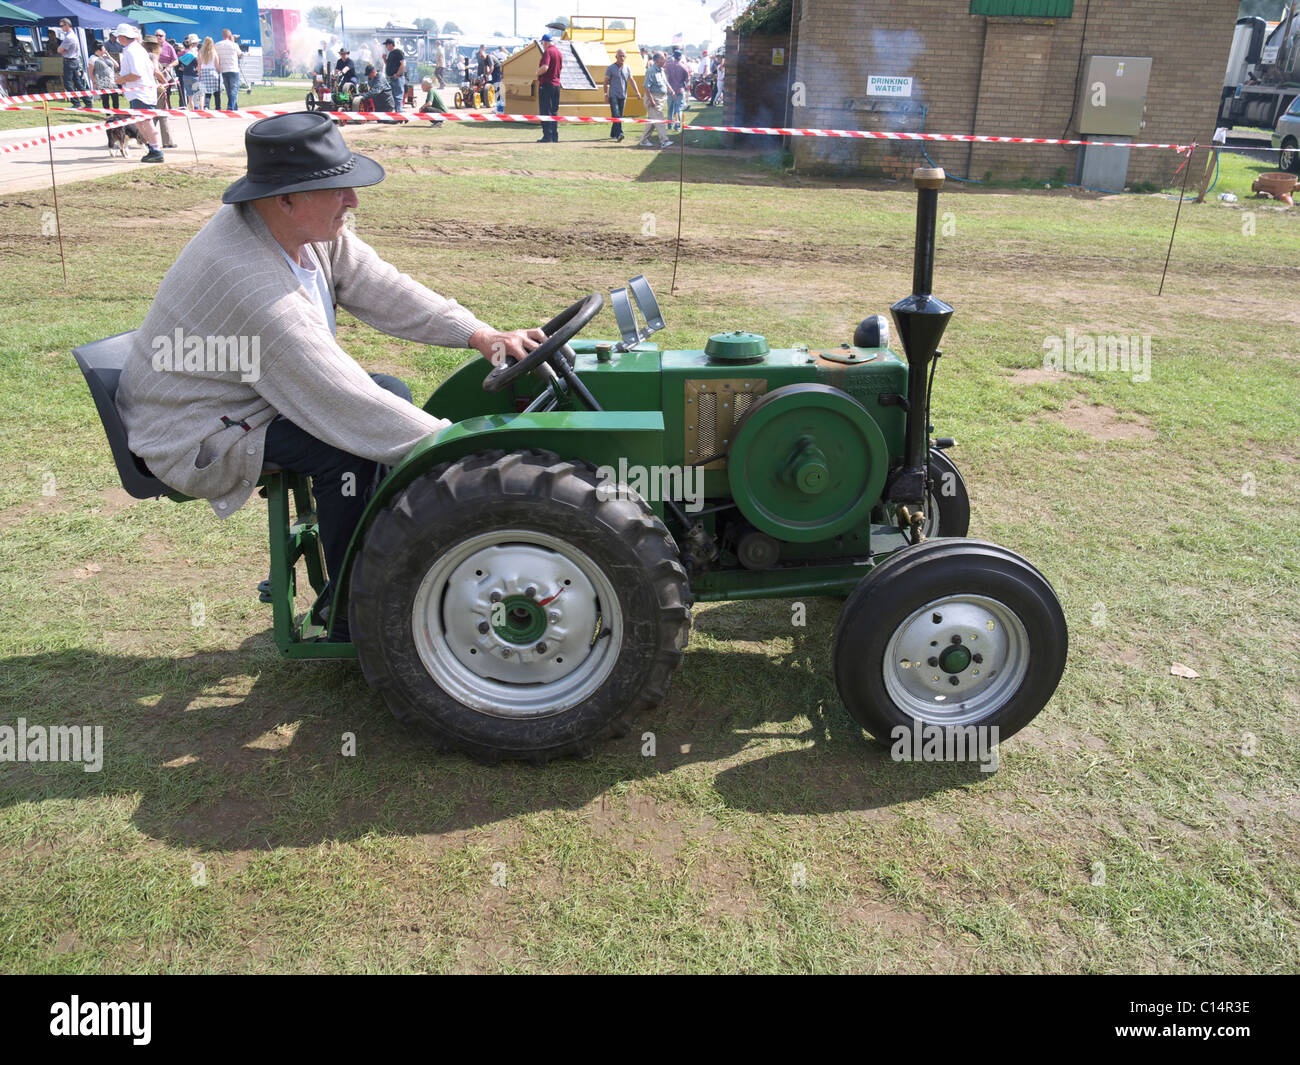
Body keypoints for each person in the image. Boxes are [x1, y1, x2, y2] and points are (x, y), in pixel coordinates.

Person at [115, 112, 546, 641]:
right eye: (339, 188)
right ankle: (353, 614)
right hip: (194, 428)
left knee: (388, 396)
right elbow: (338, 397)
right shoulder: (250, 284)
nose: (354, 201)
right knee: (348, 448)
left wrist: (481, 334)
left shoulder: (302, 229)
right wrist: (456, 449)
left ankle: (376, 571)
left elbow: (380, 285)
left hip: (246, 396)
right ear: (285, 198)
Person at [111, 24, 163, 162]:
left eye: (118, 36)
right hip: (139, 92)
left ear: (122, 37)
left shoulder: (132, 51)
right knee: (140, 123)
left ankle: (157, 150)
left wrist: (121, 79)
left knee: (146, 122)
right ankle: (153, 148)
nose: (117, 39)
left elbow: (136, 74)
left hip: (141, 92)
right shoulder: (134, 49)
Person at [603, 48, 640, 143]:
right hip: (613, 95)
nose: (622, 58)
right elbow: (605, 82)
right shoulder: (610, 68)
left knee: (619, 116)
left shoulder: (627, 68)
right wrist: (606, 94)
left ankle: (613, 133)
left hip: (623, 96)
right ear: (616, 57)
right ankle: (620, 134)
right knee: (616, 114)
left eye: (623, 56)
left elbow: (632, 80)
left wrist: (637, 92)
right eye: (620, 56)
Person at [56, 19, 92, 110]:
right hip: (74, 61)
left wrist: (61, 50)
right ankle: (88, 102)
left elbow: (60, 50)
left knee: (68, 83)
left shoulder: (69, 37)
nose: (61, 28)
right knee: (78, 83)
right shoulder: (73, 35)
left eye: (62, 25)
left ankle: (76, 102)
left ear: (67, 25)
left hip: (69, 61)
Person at [639, 52, 672, 149]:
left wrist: (671, 90)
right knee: (659, 119)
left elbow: (665, 82)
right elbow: (646, 87)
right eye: (662, 59)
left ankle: (644, 141)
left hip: (660, 99)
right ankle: (664, 141)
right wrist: (652, 100)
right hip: (654, 99)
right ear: (657, 61)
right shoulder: (651, 71)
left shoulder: (661, 70)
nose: (664, 60)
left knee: (652, 121)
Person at [535, 33, 562, 143]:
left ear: (545, 42)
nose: (543, 45)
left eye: (542, 43)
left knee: (545, 111)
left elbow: (545, 67)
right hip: (557, 85)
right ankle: (554, 136)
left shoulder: (548, 52)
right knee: (554, 111)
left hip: (547, 85)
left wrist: (537, 72)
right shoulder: (559, 52)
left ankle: (547, 136)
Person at [90, 41, 119, 117]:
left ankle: (117, 114)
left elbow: (116, 65)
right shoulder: (93, 58)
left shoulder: (106, 57)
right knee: (105, 98)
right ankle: (108, 115)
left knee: (115, 97)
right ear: (98, 50)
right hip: (102, 81)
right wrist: (94, 82)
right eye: (103, 48)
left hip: (112, 81)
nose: (105, 49)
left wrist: (109, 56)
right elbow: (91, 72)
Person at [215, 28, 241, 110]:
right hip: (233, 69)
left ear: (223, 35)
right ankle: (230, 107)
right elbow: (240, 54)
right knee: (234, 89)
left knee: (228, 90)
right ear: (230, 36)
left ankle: (235, 106)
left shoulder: (217, 45)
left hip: (224, 69)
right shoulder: (234, 45)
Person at [664, 48, 688, 134]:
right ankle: (677, 126)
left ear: (674, 56)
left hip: (671, 89)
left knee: (670, 108)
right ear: (680, 57)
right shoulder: (684, 66)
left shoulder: (668, 65)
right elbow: (687, 79)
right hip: (680, 90)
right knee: (678, 109)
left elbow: (666, 77)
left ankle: (669, 124)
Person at [176, 35, 200, 108]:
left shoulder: (180, 55)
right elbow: (197, 65)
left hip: (185, 75)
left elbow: (178, 66)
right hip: (194, 75)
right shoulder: (192, 55)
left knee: (189, 94)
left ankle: (190, 108)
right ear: (190, 46)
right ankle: (197, 108)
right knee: (197, 93)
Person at [383, 38, 405, 112]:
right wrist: (384, 59)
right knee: (393, 96)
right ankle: (396, 113)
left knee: (398, 96)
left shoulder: (398, 52)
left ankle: (399, 114)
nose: (386, 47)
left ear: (391, 45)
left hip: (397, 78)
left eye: (387, 45)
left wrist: (398, 74)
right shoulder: (391, 53)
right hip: (391, 77)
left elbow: (403, 64)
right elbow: (388, 64)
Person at [198, 37, 220, 108]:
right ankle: (218, 107)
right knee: (217, 93)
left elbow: (199, 64)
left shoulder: (200, 52)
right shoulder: (214, 52)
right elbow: (217, 64)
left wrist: (199, 75)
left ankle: (206, 106)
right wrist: (220, 72)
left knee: (207, 93)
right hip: (213, 72)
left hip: (204, 73)